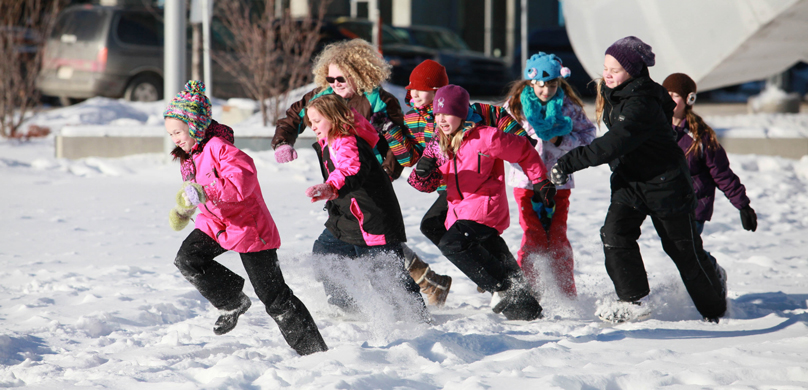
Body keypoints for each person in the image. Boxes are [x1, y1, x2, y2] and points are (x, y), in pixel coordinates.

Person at [550, 37, 728, 323]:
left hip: (665, 185)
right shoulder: (617, 91)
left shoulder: (641, 102)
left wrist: (569, 162)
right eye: (606, 67)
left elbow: (616, 141)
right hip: (630, 182)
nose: (607, 74)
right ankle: (633, 300)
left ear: (633, 71)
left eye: (616, 69)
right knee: (615, 233)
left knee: (683, 251)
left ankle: (715, 307)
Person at [165, 81, 328, 355]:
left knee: (274, 297)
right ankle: (232, 301)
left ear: (195, 125)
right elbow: (195, 192)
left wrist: (203, 192)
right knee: (187, 259)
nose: (176, 139)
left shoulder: (221, 148)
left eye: (179, 132)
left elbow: (242, 183)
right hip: (216, 225)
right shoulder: (190, 157)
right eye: (171, 134)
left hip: (249, 229)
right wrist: (185, 209)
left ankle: (315, 353)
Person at [408, 84, 556, 321]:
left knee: (453, 244)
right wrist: (423, 173)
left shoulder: (487, 137)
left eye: (448, 113)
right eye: (437, 114)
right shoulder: (438, 144)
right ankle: (527, 310)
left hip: (486, 208)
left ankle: (500, 287)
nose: (442, 119)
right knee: (496, 258)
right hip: (459, 209)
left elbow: (525, 151)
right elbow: (423, 186)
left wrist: (540, 180)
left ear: (462, 113)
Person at [392, 59, 531, 305]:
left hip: (476, 186)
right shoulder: (413, 119)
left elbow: (509, 128)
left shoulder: (474, 111)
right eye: (410, 88)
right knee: (439, 227)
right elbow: (408, 158)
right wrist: (391, 133)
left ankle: (497, 276)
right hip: (449, 188)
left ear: (437, 93)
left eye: (420, 89)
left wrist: (513, 142)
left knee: (450, 230)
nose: (413, 93)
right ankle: (491, 270)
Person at [303, 94, 429, 322]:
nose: (313, 126)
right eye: (310, 122)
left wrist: (331, 187)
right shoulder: (329, 141)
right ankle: (346, 306)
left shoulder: (347, 141)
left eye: (317, 120)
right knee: (325, 254)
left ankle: (415, 316)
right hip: (345, 218)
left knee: (386, 275)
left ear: (334, 117)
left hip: (371, 219)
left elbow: (350, 170)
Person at [502, 52, 596, 298]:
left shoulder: (568, 107)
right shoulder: (514, 106)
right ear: (531, 82)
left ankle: (565, 292)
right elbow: (499, 138)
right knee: (532, 235)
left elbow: (588, 135)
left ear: (559, 82)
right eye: (541, 85)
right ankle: (530, 292)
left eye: (552, 84)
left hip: (558, 183)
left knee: (556, 237)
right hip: (526, 183)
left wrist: (560, 139)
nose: (546, 91)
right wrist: (521, 146)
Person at [273, 38, 406, 180]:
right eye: (330, 79)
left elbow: (397, 140)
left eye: (341, 79)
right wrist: (283, 142)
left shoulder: (380, 100)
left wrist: (387, 173)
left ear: (359, 74)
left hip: (369, 173)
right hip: (334, 172)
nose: (335, 84)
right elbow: (294, 117)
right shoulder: (322, 95)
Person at [662, 72, 757, 234]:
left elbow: (721, 173)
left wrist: (743, 205)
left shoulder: (700, 135)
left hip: (693, 208)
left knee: (687, 253)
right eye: (667, 95)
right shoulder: (655, 129)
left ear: (688, 99)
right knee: (682, 253)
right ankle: (706, 261)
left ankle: (708, 262)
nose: (670, 99)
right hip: (663, 205)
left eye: (675, 95)